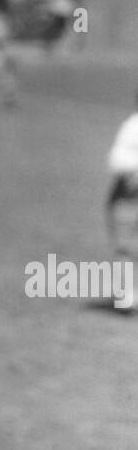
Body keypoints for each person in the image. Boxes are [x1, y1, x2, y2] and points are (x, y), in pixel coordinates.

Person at [106, 93, 138, 304]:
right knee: (125, 248)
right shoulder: (133, 126)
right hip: (127, 200)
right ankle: (126, 299)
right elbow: (115, 161)